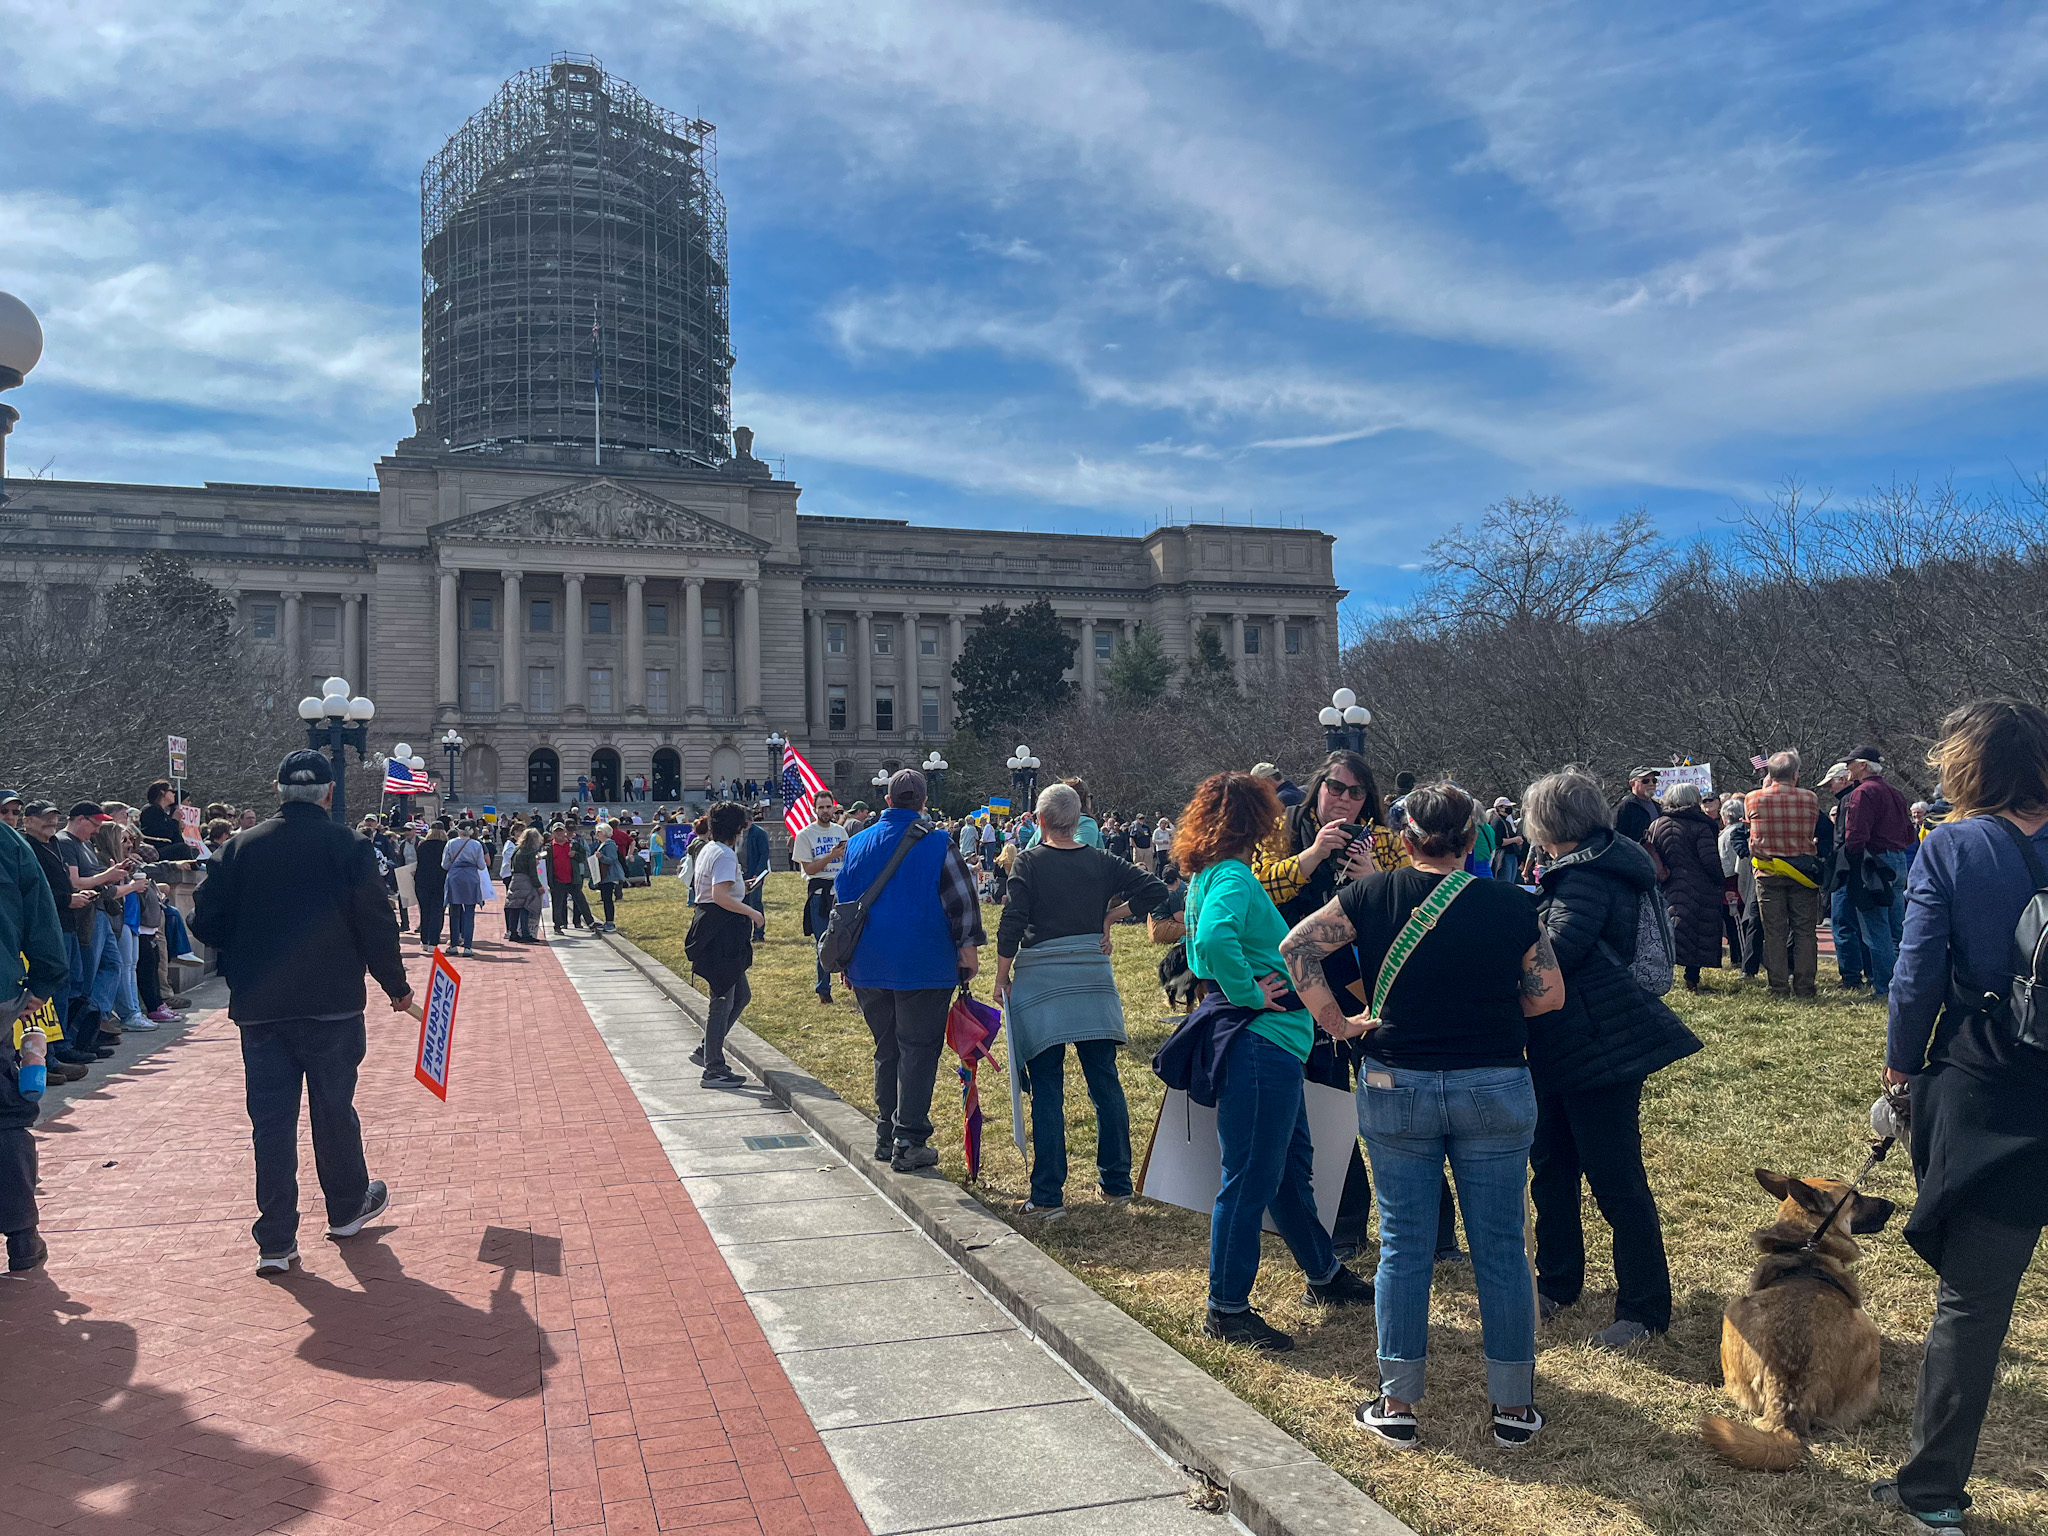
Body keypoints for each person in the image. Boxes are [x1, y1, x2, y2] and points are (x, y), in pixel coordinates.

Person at [1281, 782, 1561, 1449]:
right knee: (1501, 1246)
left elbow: (1297, 948)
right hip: (1494, 1081)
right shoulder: (1511, 903)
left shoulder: (1369, 896)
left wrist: (1338, 1023)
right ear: (1473, 841)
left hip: (1394, 1077)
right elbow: (1547, 996)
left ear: (1404, 840)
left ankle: (1398, 1401)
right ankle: (1514, 1408)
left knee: (1404, 1246)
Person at [1873, 699, 2048, 1531]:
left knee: (1973, 1307)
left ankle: (1933, 1491)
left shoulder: (1952, 846)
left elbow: (1914, 977)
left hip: (1991, 1087)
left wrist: (1899, 1069)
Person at [189, 750, 412, 1274]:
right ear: (329, 793)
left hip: (261, 1006)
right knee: (334, 1109)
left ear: (277, 790)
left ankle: (276, 1240)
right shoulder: (350, 846)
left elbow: (204, 920)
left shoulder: (240, 848)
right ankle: (346, 1206)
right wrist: (395, 988)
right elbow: (375, 923)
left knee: (270, 1122)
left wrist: (244, 950)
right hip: (331, 1004)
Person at [1180, 771, 1374, 1354]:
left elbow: (1201, 945)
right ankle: (1227, 1308)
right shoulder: (1236, 874)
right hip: (1261, 1041)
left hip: (1266, 1044)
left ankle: (1324, 1275)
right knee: (1251, 1178)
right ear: (1253, 819)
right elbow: (1213, 942)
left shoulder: (1208, 873)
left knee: (1286, 1169)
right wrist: (1248, 992)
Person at [1519, 771, 1701, 1348]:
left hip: (1599, 1045)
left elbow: (1558, 954)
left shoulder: (1586, 878)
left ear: (1549, 824)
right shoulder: (1588, 865)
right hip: (1566, 1043)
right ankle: (1557, 1281)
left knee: (1615, 1179)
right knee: (1552, 1168)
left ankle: (1644, 1309)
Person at [995, 783, 1168, 1219]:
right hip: (1093, 978)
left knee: (1048, 1088)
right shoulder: (1102, 860)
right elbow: (1155, 891)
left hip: (1041, 983)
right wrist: (1110, 916)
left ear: (1039, 821)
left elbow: (1012, 921)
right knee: (1104, 1082)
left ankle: (1049, 1197)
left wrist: (1000, 977)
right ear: (1079, 820)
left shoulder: (1029, 863)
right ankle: (1117, 1185)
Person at [834, 769, 985, 1173]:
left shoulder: (858, 842)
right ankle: (909, 1138)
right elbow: (962, 899)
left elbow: (843, 905)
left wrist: (845, 961)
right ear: (922, 802)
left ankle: (886, 1131)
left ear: (886, 801)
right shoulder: (938, 842)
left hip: (868, 962)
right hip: (925, 961)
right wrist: (968, 949)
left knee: (887, 1046)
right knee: (918, 1050)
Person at [2, 808, 68, 1272]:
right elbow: (41, 919)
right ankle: (22, 1234)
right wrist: (43, 983)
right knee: (5, 1117)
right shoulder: (9, 844)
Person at [687, 801, 765, 1088]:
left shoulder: (710, 848)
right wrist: (751, 911)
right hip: (721, 929)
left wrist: (741, 885)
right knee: (723, 999)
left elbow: (713, 889)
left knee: (740, 995)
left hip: (713, 925)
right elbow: (719, 896)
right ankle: (713, 1067)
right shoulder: (725, 855)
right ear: (736, 828)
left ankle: (707, 1050)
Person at [1840, 746, 1917, 1001]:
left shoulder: (1862, 793)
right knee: (1897, 927)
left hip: (1874, 862)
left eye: (1850, 763)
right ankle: (1905, 981)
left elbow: (1855, 836)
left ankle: (1885, 987)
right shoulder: (1895, 793)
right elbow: (1909, 833)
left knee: (1876, 928)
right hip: (1897, 860)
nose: (1847, 768)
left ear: (1863, 765)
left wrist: (1853, 862)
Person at [1747, 751, 1822, 998]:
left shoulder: (1753, 798)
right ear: (1796, 774)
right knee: (1804, 932)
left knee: (1774, 932)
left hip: (1769, 872)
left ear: (1769, 774)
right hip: (1802, 872)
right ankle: (1805, 987)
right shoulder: (1810, 798)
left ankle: (1778, 987)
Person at [1646, 783, 1723, 991]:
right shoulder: (1702, 826)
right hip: (1699, 887)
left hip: (1667, 885)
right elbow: (1709, 860)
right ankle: (1691, 978)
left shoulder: (1657, 824)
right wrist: (1719, 880)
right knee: (1696, 933)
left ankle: (1665, 976)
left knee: (1669, 930)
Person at [794, 793, 849, 1005]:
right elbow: (809, 868)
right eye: (821, 808)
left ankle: (850, 980)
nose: (825, 811)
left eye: (828, 807)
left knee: (847, 938)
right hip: (820, 893)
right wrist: (830, 856)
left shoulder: (840, 831)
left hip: (841, 891)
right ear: (814, 809)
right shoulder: (805, 835)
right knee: (823, 941)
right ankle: (823, 989)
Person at [1818, 762, 1868, 989]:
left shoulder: (1849, 802)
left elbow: (1844, 839)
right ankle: (1873, 973)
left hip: (1846, 868)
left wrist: (1836, 864)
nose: (1830, 788)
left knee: (1844, 923)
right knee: (1867, 924)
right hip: (1865, 867)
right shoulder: (1861, 797)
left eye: (1832, 782)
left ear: (1844, 779)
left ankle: (1851, 976)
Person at [440, 823, 491, 958]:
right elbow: (481, 865)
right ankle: (468, 946)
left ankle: (454, 945)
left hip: (455, 877)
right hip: (470, 877)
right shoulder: (476, 844)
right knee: (469, 912)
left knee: (454, 912)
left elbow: (444, 865)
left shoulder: (451, 843)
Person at [137, 780, 199, 860]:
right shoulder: (151, 809)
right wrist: (175, 821)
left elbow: (176, 838)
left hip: (166, 847)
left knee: (193, 849)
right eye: (171, 791)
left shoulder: (163, 812)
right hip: (156, 849)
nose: (174, 794)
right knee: (183, 848)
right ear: (162, 792)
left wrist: (178, 827)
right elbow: (163, 833)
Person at [505, 827, 546, 942]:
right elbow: (532, 872)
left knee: (514, 907)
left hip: (515, 879)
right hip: (526, 881)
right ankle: (525, 933)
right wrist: (539, 886)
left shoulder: (517, 849)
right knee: (525, 907)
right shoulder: (531, 852)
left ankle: (513, 932)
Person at [414, 822, 448, 950]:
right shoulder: (445, 846)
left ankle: (424, 940)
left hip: (423, 881)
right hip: (440, 881)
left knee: (425, 911)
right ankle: (434, 941)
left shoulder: (422, 846)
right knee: (437, 911)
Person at [1614, 767, 1661, 844]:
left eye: (1654, 780)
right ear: (1632, 784)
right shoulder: (1626, 806)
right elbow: (1617, 835)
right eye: (1645, 781)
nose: (1651, 784)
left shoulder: (1658, 806)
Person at [592, 823, 625, 930]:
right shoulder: (603, 844)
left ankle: (610, 922)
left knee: (608, 899)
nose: (597, 834)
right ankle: (607, 921)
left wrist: (601, 857)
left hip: (609, 875)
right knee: (606, 899)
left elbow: (612, 859)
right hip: (605, 875)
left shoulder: (609, 844)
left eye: (599, 832)